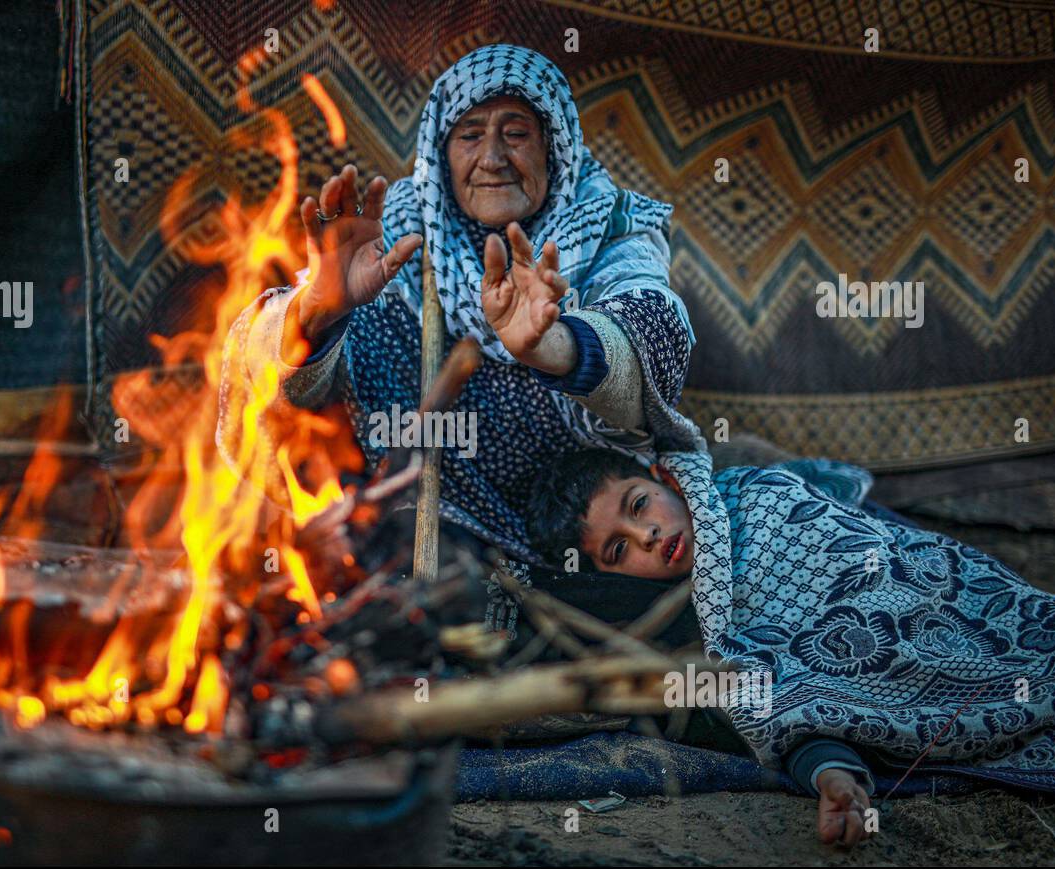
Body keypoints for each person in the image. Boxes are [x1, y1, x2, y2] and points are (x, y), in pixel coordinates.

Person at [221, 44, 703, 567]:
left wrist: (552, 345)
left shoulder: (610, 222)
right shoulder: (393, 237)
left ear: (554, 146)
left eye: (516, 134)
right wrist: (318, 310)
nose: (492, 159)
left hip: (583, 538)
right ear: (441, 153)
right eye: (470, 136)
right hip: (425, 533)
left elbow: (652, 329)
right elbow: (269, 385)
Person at [526, 446, 1055, 846]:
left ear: (664, 477)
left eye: (640, 504)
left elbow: (863, 529)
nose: (646, 533)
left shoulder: (756, 494)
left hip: (961, 600)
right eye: (619, 548)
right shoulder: (703, 633)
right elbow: (789, 709)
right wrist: (835, 779)